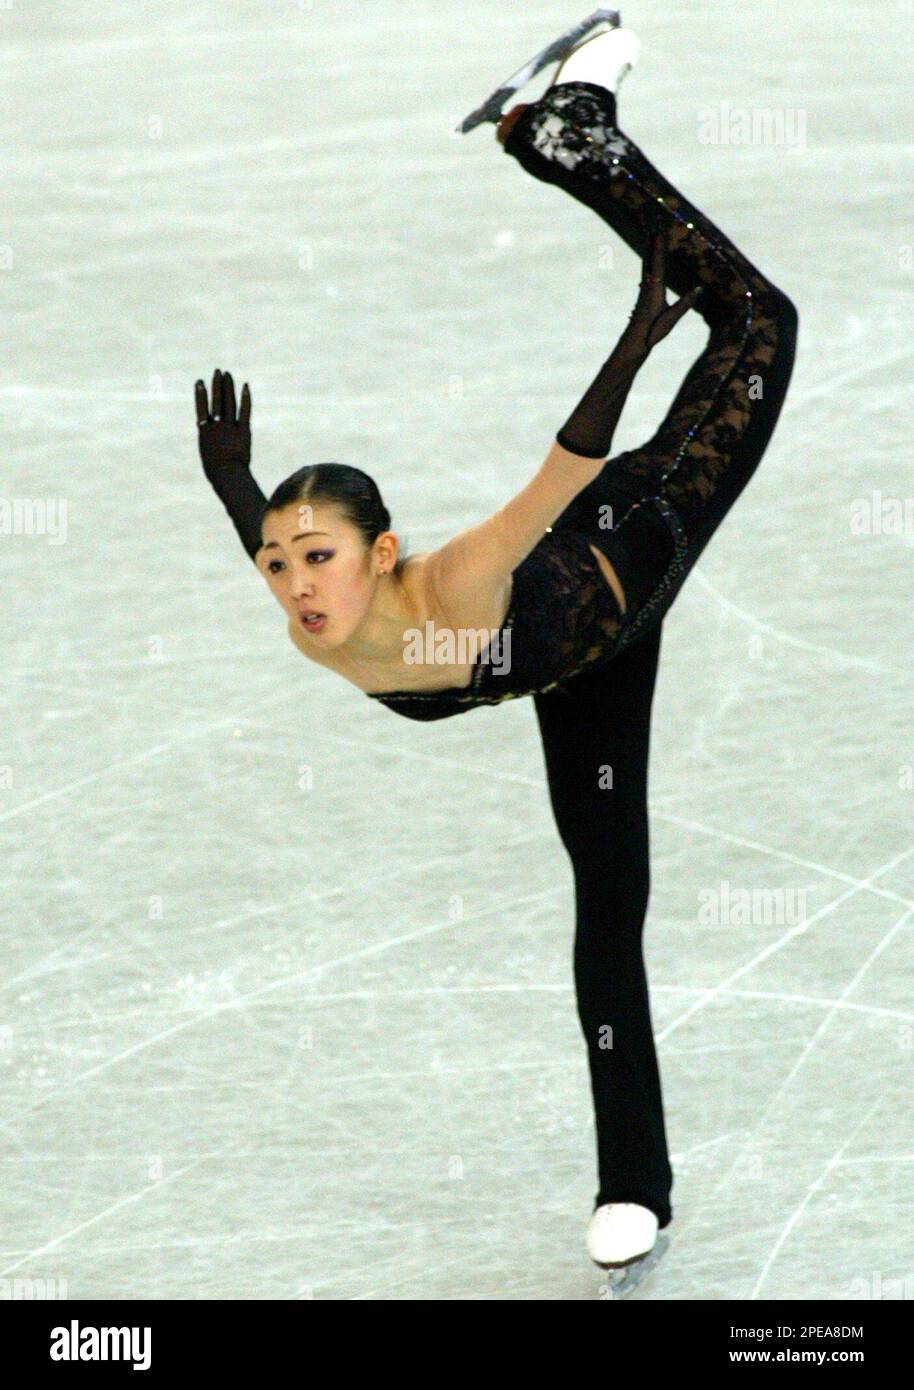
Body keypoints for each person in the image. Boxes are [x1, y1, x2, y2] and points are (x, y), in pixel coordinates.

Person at [194, 23, 798, 1276]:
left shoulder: (449, 583)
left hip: (639, 524)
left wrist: (638, 338)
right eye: (277, 562)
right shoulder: (321, 628)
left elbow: (558, 478)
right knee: (608, 907)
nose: (298, 587)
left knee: (759, 322)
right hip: (586, 661)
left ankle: (569, 134)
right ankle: (635, 1184)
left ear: (384, 551)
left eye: (319, 558)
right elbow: (285, 555)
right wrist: (244, 493)